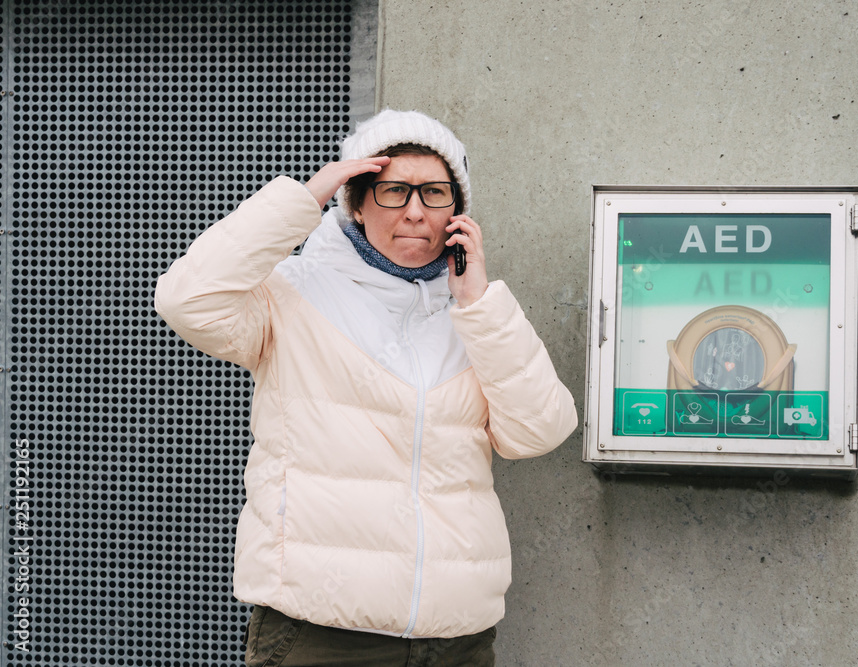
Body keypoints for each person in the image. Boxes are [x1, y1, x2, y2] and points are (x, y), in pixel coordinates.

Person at [154, 109, 577, 666]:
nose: (415, 212)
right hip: (323, 634)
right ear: (353, 200)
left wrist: (478, 303)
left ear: (458, 210)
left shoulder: (476, 315)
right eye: (393, 191)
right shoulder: (294, 295)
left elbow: (538, 432)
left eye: (435, 193)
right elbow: (188, 299)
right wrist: (304, 199)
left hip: (455, 639)